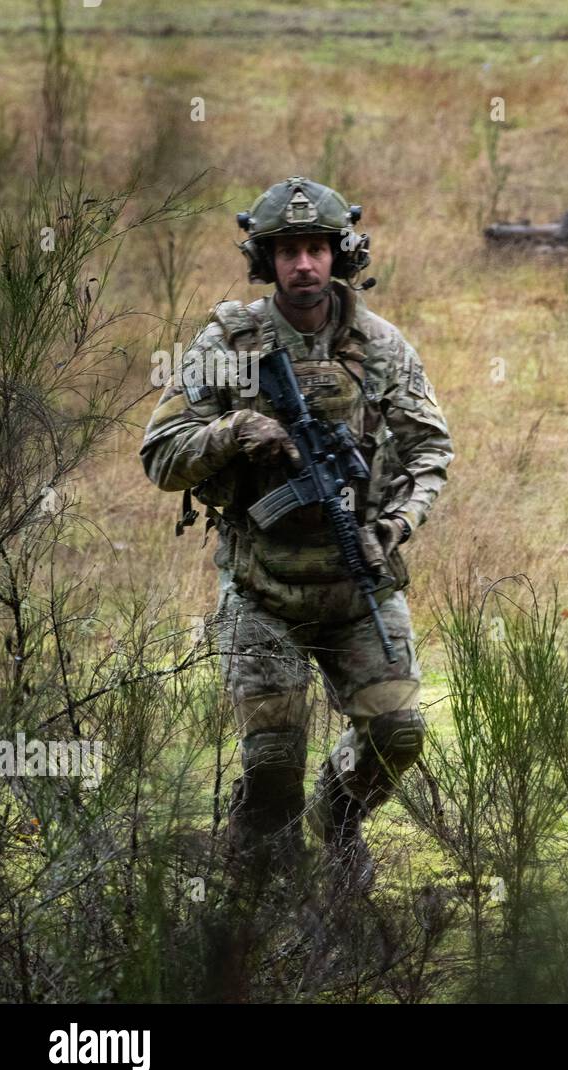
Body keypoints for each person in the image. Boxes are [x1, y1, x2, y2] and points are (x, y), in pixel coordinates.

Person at [140, 176, 454, 889]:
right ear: (265, 259)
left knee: (397, 732)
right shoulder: (230, 342)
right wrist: (235, 428)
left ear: (340, 254)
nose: (304, 264)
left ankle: (338, 815)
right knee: (273, 762)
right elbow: (160, 455)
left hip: (357, 580)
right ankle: (256, 895)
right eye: (288, 251)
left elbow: (432, 452)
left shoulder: (380, 346)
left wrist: (396, 524)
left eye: (317, 248)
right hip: (264, 588)